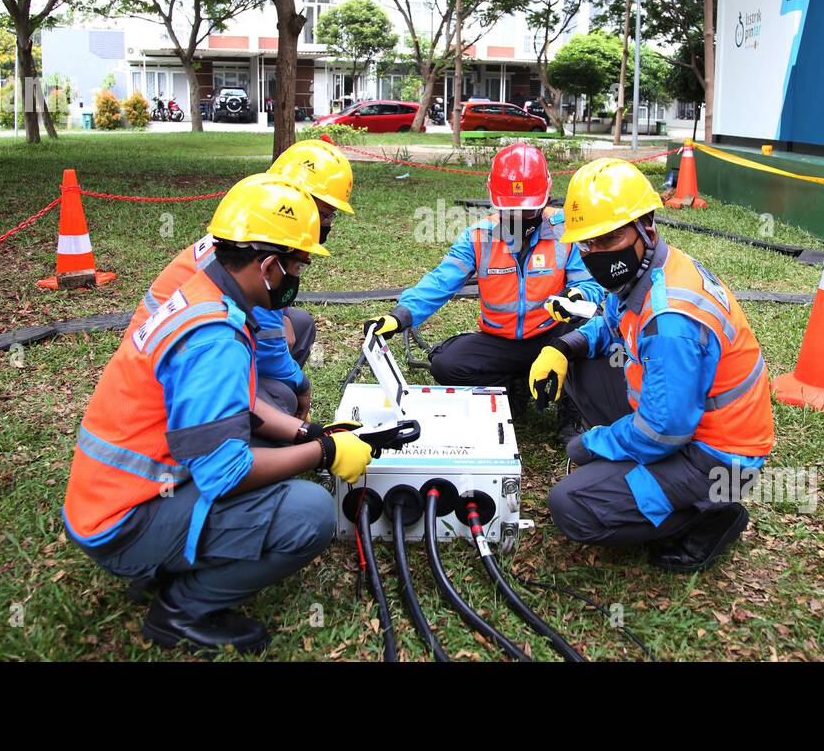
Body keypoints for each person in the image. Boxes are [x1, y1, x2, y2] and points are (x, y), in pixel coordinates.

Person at [63, 175, 373, 654]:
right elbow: (225, 473)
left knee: (275, 447)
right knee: (310, 514)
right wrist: (323, 453)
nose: (297, 278)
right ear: (269, 265)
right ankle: (180, 609)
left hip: (116, 496)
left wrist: (308, 432)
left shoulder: (206, 293)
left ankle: (172, 556)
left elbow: (241, 407)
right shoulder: (214, 338)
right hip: (122, 522)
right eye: (296, 266)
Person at [530, 158, 775, 574]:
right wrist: (564, 347)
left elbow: (665, 430)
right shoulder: (648, 270)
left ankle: (709, 514)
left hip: (715, 456)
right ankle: (641, 474)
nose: (595, 254)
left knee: (571, 505)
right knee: (579, 366)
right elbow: (607, 326)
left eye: (608, 240)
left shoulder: (671, 320)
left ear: (646, 227)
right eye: (587, 244)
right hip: (684, 420)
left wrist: (593, 444)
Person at [364, 143, 603, 418]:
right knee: (446, 364)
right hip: (500, 342)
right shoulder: (479, 237)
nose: (518, 218)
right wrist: (401, 315)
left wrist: (578, 297)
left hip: (550, 334)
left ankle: (570, 414)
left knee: (591, 331)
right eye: (510, 210)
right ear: (495, 200)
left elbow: (590, 284)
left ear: (545, 198)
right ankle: (511, 388)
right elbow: (441, 281)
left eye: (527, 211)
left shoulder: (566, 232)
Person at [127, 140, 355, 422]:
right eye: (324, 213)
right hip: (172, 371)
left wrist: (280, 317)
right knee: (281, 394)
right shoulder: (255, 258)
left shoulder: (249, 232)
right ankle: (254, 423)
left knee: (298, 324)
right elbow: (271, 351)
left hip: (178, 347)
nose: (326, 223)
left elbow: (271, 323)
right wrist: (301, 389)